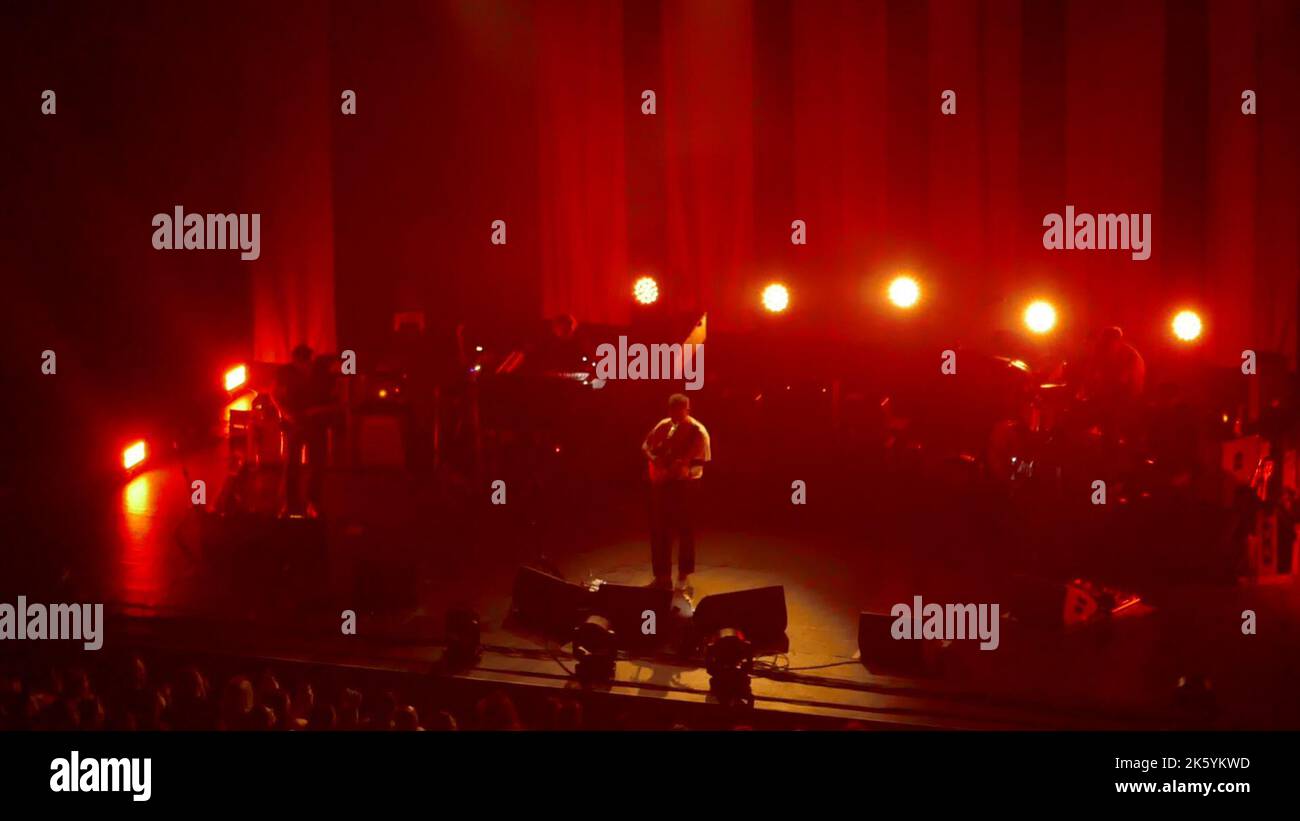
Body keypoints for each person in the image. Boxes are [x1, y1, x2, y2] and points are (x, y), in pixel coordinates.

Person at [641, 393, 711, 588]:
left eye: (679, 413)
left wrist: (674, 470)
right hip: (665, 484)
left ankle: (683, 576)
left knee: (685, 530)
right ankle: (662, 576)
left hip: (686, 485)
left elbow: (695, 461)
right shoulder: (664, 424)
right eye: (672, 412)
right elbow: (645, 445)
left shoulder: (698, 431)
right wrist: (654, 460)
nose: (674, 417)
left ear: (687, 410)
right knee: (660, 530)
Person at [274, 344, 335, 516]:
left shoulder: (322, 374)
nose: (301, 367)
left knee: (317, 464)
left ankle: (313, 501)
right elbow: (274, 394)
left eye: (304, 363)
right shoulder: (285, 372)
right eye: (297, 363)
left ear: (309, 361)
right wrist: (285, 413)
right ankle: (290, 502)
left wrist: (316, 411)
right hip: (296, 423)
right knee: (291, 464)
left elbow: (333, 402)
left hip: (317, 424)